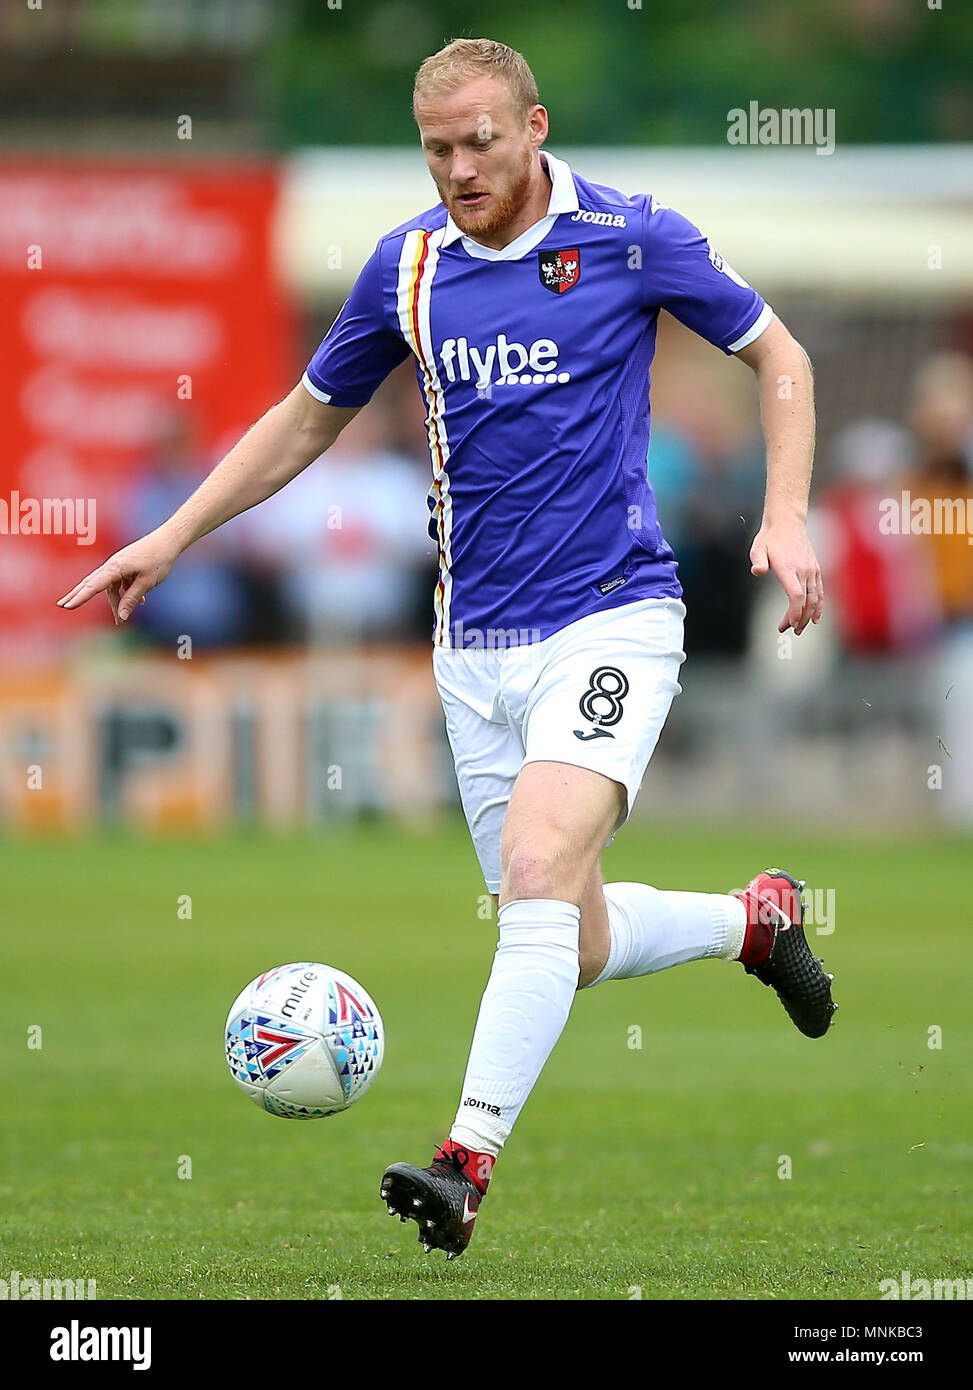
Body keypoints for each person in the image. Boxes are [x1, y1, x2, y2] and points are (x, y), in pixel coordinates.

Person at [57, 37, 835, 1262]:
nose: (461, 167)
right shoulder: (407, 268)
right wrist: (174, 532)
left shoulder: (632, 237)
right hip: (470, 648)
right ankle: (755, 921)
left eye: (482, 140)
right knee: (564, 938)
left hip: (612, 616)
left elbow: (778, 358)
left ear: (533, 125)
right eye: (438, 148)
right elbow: (307, 417)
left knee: (531, 872)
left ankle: (464, 1161)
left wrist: (784, 513)